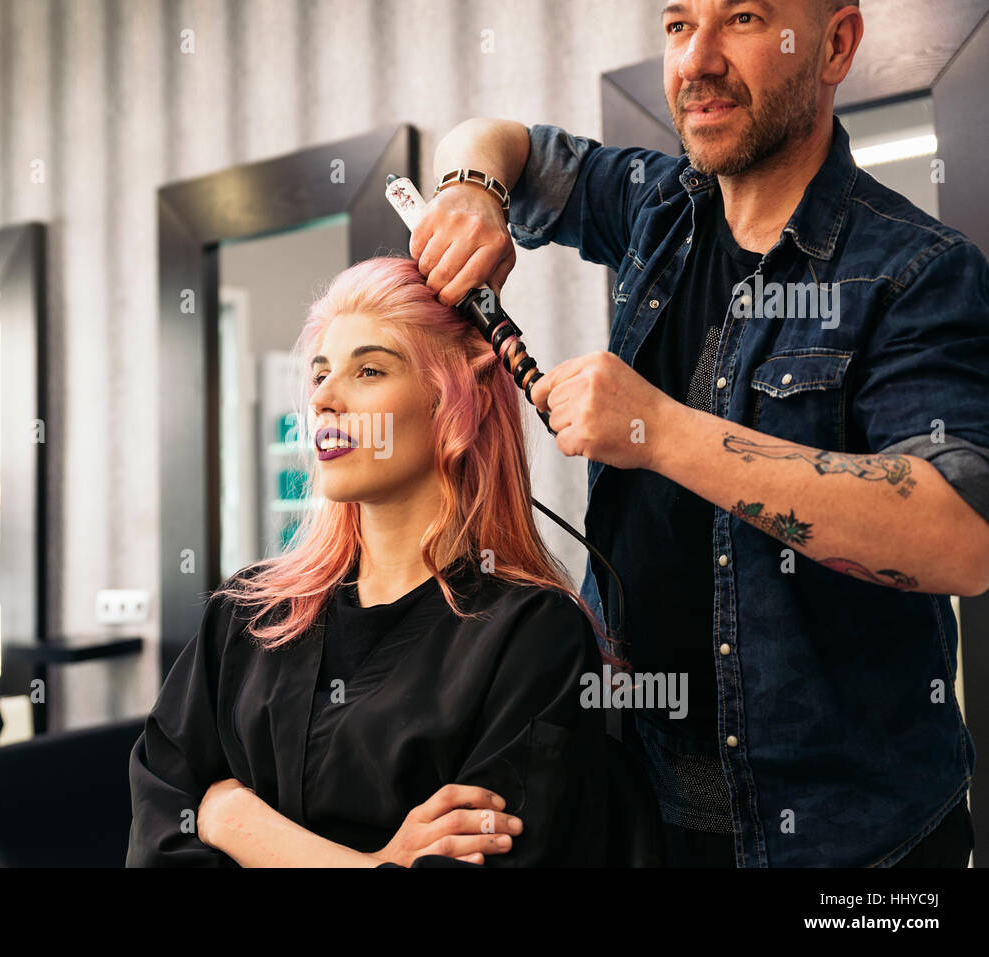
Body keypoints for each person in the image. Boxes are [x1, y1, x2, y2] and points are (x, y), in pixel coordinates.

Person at [410, 0, 987, 867]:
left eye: (745, 18)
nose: (698, 61)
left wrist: (659, 430)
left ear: (835, 44)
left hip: (854, 853)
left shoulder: (917, 271)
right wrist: (470, 195)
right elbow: (496, 141)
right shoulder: (658, 208)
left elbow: (959, 533)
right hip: (643, 821)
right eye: (680, 25)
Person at [126, 256, 627, 867]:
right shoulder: (246, 616)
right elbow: (156, 841)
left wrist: (235, 818)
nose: (326, 399)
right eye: (319, 375)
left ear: (454, 399)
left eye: (368, 370)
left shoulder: (533, 637)